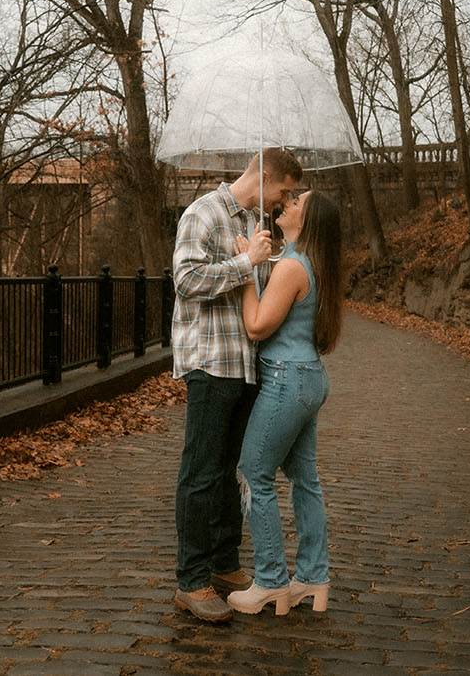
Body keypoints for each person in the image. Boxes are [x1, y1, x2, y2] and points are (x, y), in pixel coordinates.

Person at [171, 148, 304, 623]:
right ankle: (192, 580)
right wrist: (246, 263)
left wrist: (263, 261)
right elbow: (185, 281)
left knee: (231, 471)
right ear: (266, 176)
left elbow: (259, 292)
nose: (284, 199)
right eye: (284, 190)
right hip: (211, 362)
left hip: (247, 364)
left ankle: (224, 564)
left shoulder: (256, 223)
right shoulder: (203, 212)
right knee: (202, 471)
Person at [226, 189, 343, 617]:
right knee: (304, 478)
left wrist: (244, 273)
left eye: (297, 203)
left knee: (253, 472)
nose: (287, 204)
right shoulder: (308, 261)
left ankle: (271, 581)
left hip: (285, 380)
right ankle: (313, 577)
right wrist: (259, 259)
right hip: (309, 377)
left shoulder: (293, 266)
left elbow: (257, 326)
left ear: (307, 221)